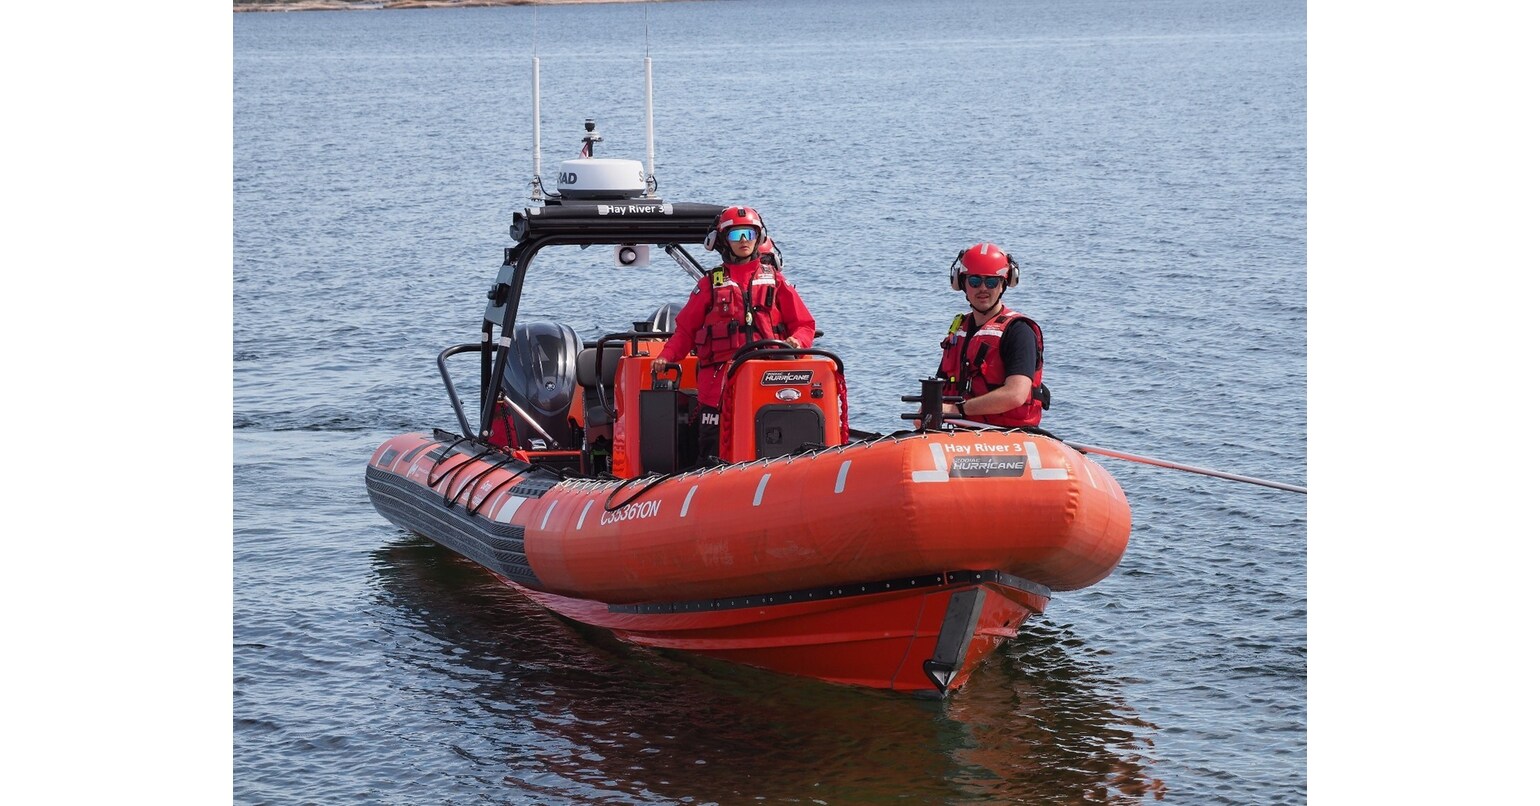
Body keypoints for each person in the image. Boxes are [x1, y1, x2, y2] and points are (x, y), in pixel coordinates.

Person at [652, 206, 817, 461]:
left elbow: (805, 324)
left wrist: (796, 341)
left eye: (749, 235)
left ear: (758, 239)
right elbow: (685, 331)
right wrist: (667, 356)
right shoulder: (709, 285)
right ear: (722, 241)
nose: (743, 242)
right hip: (718, 386)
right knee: (712, 445)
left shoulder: (775, 280)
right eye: (736, 235)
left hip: (768, 379)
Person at [934, 242, 1048, 427]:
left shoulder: (1019, 331)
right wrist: (929, 410)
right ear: (962, 283)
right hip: (962, 434)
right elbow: (941, 386)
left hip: (1008, 436)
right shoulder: (959, 329)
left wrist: (959, 410)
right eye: (975, 281)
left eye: (992, 281)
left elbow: (1015, 394)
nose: (983, 289)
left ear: (1004, 284)